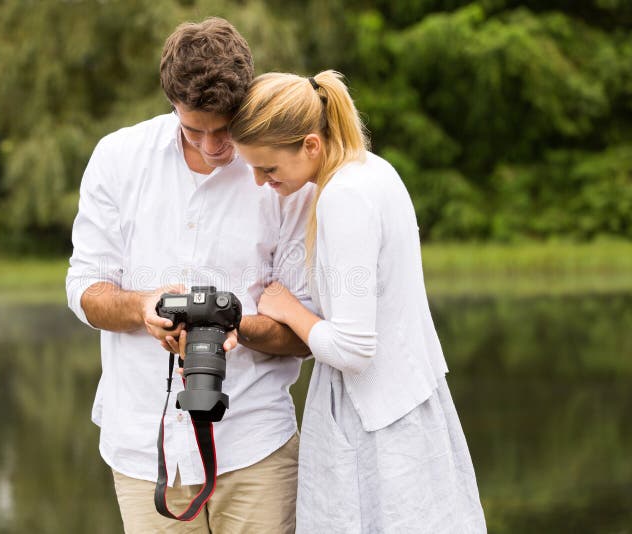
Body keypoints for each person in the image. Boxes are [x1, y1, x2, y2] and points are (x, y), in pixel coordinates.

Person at [65, 18, 314, 533]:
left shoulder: (281, 175)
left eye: (224, 130)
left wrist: (235, 323)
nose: (212, 145)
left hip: (255, 445)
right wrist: (142, 307)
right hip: (143, 447)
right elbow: (85, 290)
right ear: (172, 104)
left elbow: (305, 332)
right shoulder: (118, 159)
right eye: (193, 129)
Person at [228, 70, 488, 533]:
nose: (260, 181)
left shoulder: (344, 197)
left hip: (377, 427)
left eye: (268, 169)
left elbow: (353, 348)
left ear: (311, 145)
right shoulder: (374, 169)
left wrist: (289, 309)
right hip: (410, 404)